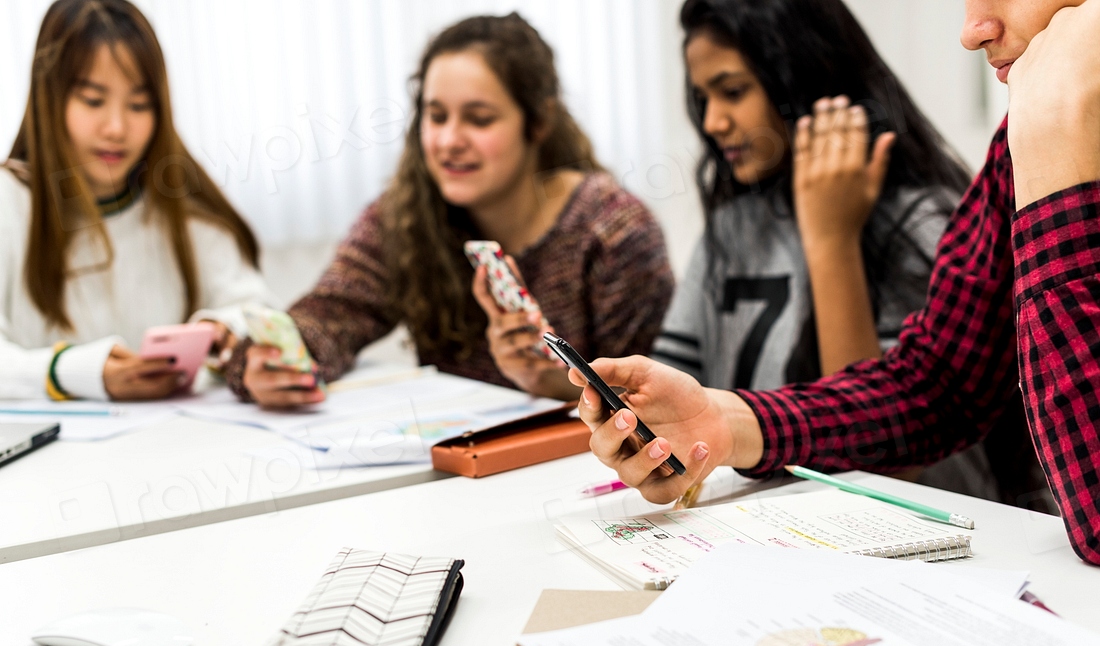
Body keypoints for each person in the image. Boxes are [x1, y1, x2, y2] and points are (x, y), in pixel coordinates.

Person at [571, 0, 1100, 565]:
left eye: (734, 91)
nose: (972, 33)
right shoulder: (734, 227)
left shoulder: (990, 170)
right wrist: (722, 423)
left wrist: (1054, 152)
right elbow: (937, 386)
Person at [650, 0, 1021, 500]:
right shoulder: (733, 227)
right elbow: (675, 393)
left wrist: (831, 241)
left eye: (733, 91)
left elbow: (892, 448)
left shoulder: (922, 221)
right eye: (703, 98)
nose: (714, 121)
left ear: (805, 81)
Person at [227, 13, 674, 406]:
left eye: (479, 119)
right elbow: (330, 316)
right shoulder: (407, 214)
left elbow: (650, 405)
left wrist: (551, 382)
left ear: (538, 122)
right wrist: (269, 362)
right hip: (455, 464)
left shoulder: (613, 232)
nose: (448, 141)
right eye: (436, 116)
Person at [0, 0, 268, 402]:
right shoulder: (9, 203)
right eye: (93, 100)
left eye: (139, 105)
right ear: (48, 99)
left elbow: (258, 312)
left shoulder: (181, 205)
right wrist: (73, 372)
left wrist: (223, 331)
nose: (116, 128)